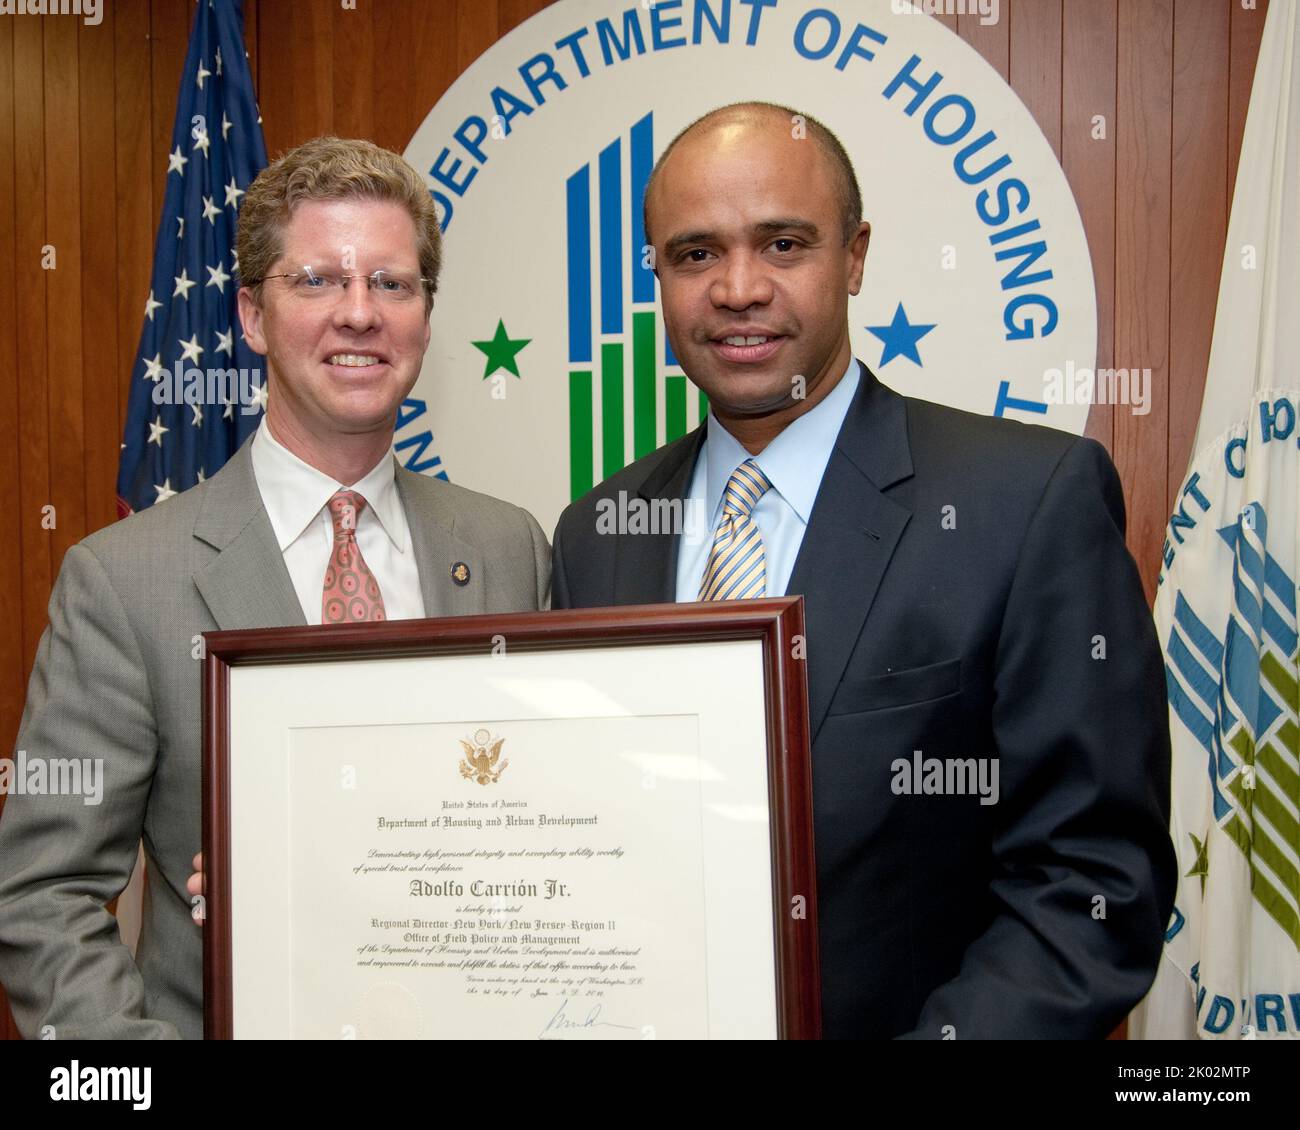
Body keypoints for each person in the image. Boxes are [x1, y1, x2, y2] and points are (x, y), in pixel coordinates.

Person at [549, 103, 1176, 1039]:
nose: (738, 288)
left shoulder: (1026, 501)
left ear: (853, 256)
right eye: (694, 255)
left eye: (784, 243)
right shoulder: (597, 534)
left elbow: (1092, 884)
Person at [0, 137, 550, 1039]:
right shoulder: (122, 582)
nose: (360, 314)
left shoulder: (506, 549)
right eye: (318, 282)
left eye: (393, 283)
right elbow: (43, 896)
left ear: (424, 315)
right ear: (253, 316)